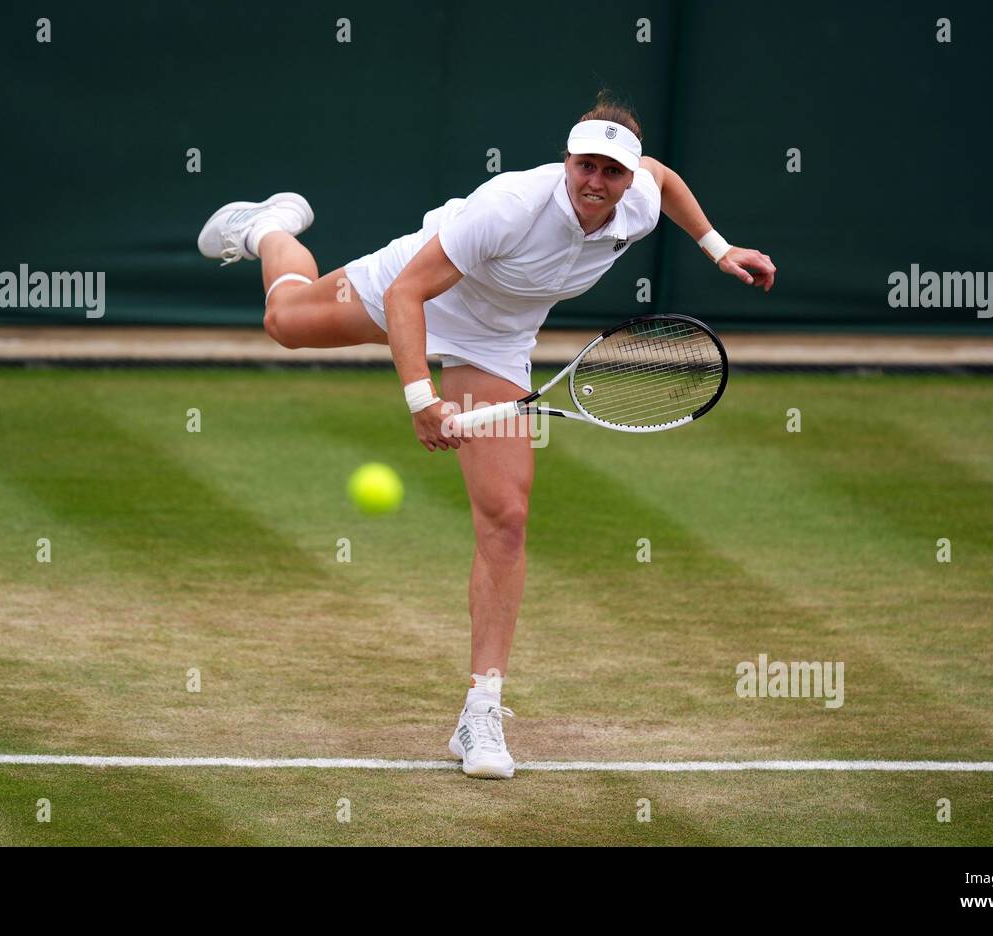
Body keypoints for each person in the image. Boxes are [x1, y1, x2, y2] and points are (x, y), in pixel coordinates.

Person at [197, 97, 776, 779]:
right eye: (586, 165)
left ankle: (481, 712)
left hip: (496, 343)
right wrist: (422, 400)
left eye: (611, 172)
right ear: (567, 161)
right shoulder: (509, 205)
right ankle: (269, 228)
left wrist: (718, 247)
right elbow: (409, 295)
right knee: (284, 322)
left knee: (506, 519)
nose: (598, 181)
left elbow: (665, 177)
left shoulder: (640, 195)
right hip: (412, 289)